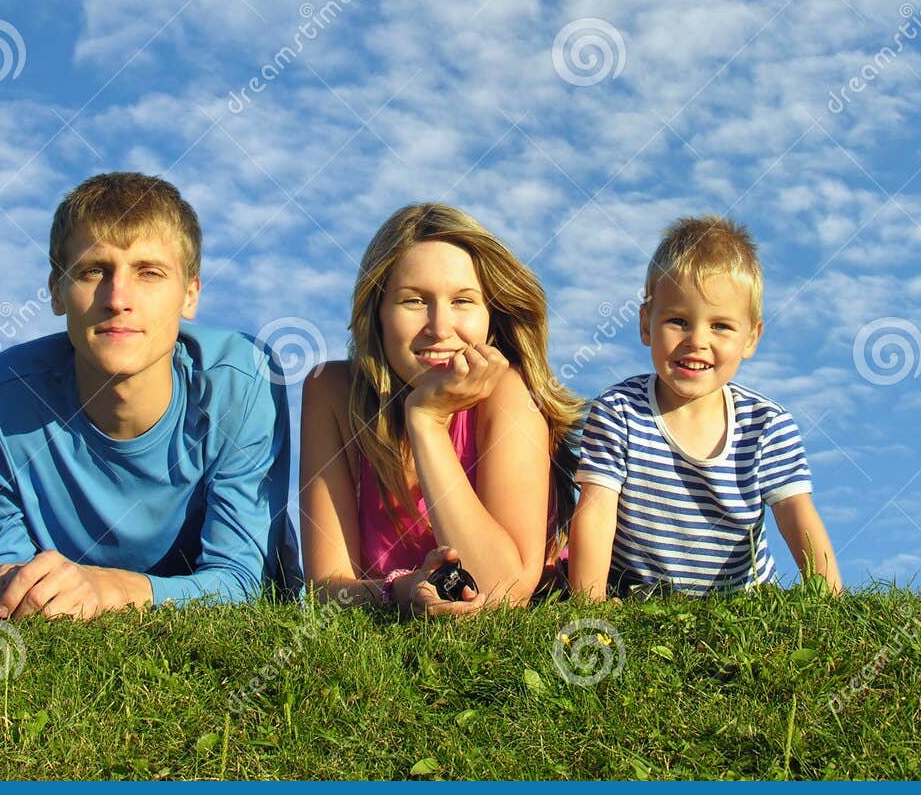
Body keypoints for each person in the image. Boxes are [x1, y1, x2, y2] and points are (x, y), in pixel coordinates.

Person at [0, 171, 298, 620]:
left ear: (190, 294)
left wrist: (106, 588)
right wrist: (16, 591)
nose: (117, 298)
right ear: (56, 291)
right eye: (94, 271)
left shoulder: (243, 380)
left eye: (149, 273)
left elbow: (242, 581)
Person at [299, 203, 581, 617]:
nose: (439, 327)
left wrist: (426, 422)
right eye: (414, 301)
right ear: (376, 312)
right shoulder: (330, 391)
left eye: (463, 301)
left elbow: (502, 591)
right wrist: (400, 591)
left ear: (491, 315)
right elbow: (324, 588)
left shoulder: (509, 394)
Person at [568, 214, 841, 599]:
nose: (697, 341)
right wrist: (589, 602)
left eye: (721, 326)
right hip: (636, 598)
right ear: (646, 324)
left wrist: (829, 599)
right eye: (678, 321)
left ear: (751, 338)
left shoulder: (766, 425)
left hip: (742, 604)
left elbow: (797, 516)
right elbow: (595, 512)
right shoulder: (618, 413)